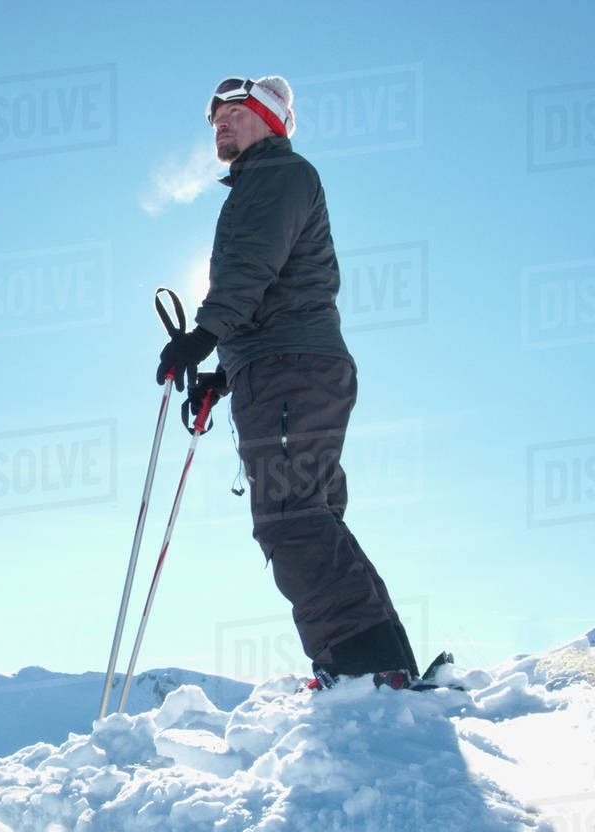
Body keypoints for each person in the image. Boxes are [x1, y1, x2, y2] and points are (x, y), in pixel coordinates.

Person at [156, 75, 418, 688]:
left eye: (235, 111)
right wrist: (223, 374)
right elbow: (271, 288)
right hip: (286, 365)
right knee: (311, 512)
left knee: (289, 517)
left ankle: (365, 667)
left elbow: (251, 265)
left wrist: (206, 333)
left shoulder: (277, 176)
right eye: (214, 115)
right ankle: (379, 663)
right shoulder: (267, 181)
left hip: (288, 367)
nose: (219, 121)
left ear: (270, 120)